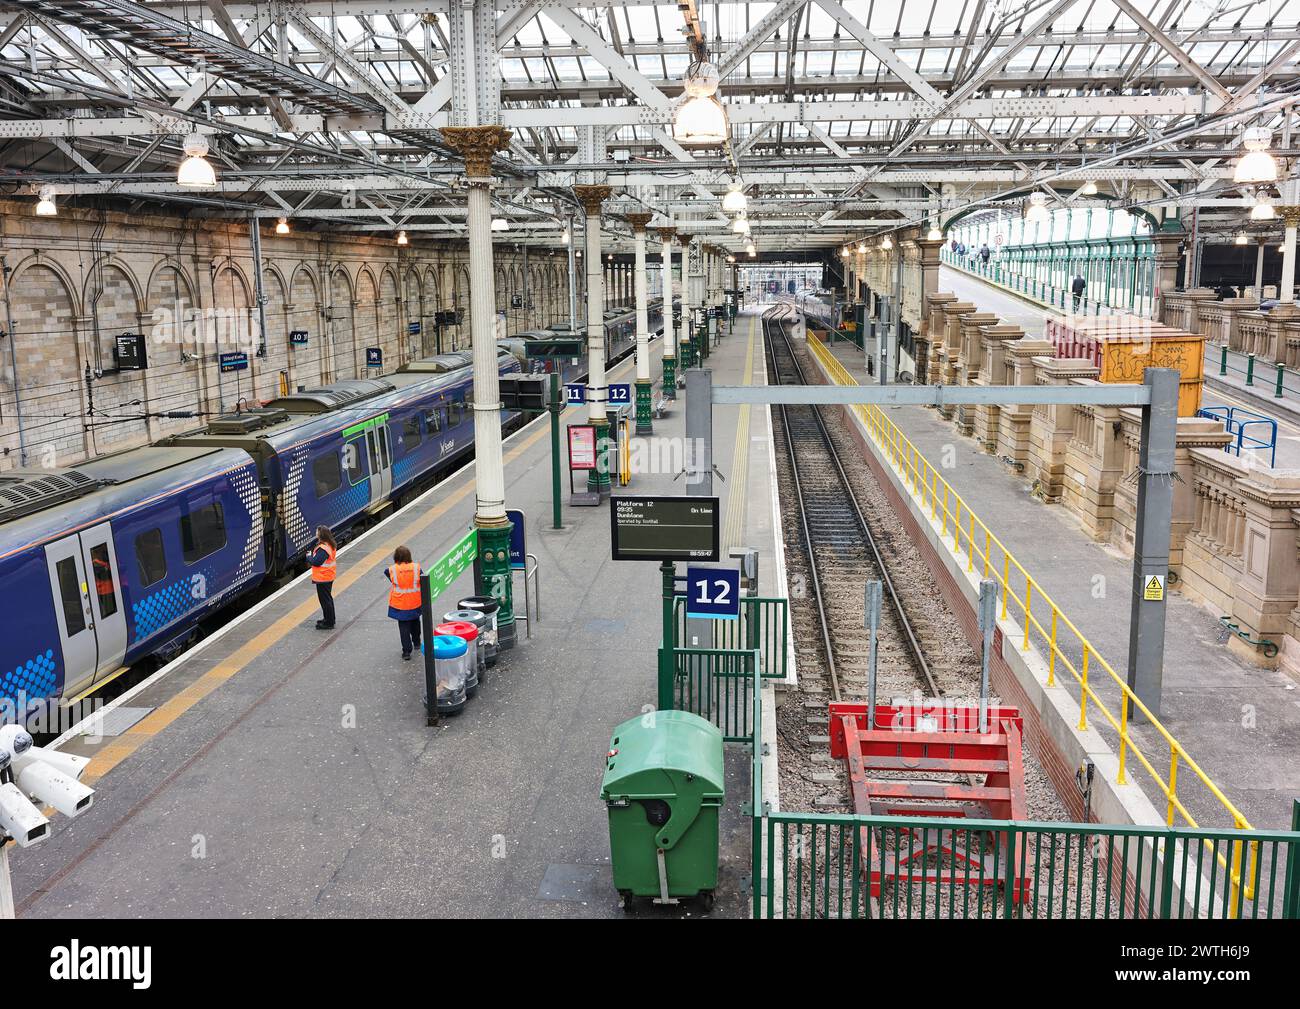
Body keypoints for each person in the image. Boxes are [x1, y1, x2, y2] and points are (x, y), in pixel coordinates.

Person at [384, 545, 423, 660]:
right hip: (415, 602)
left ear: (396, 556)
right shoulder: (417, 568)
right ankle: (416, 642)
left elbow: (388, 575)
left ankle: (406, 652)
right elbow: (423, 579)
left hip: (400, 604)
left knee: (404, 628)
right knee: (416, 622)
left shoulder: (391, 570)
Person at [308, 525, 337, 629]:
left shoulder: (323, 548)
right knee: (327, 599)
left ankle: (328, 623)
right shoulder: (329, 544)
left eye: (317, 531)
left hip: (323, 578)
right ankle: (329, 619)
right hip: (327, 576)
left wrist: (309, 557)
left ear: (321, 534)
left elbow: (316, 562)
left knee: (325, 601)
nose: (316, 533)